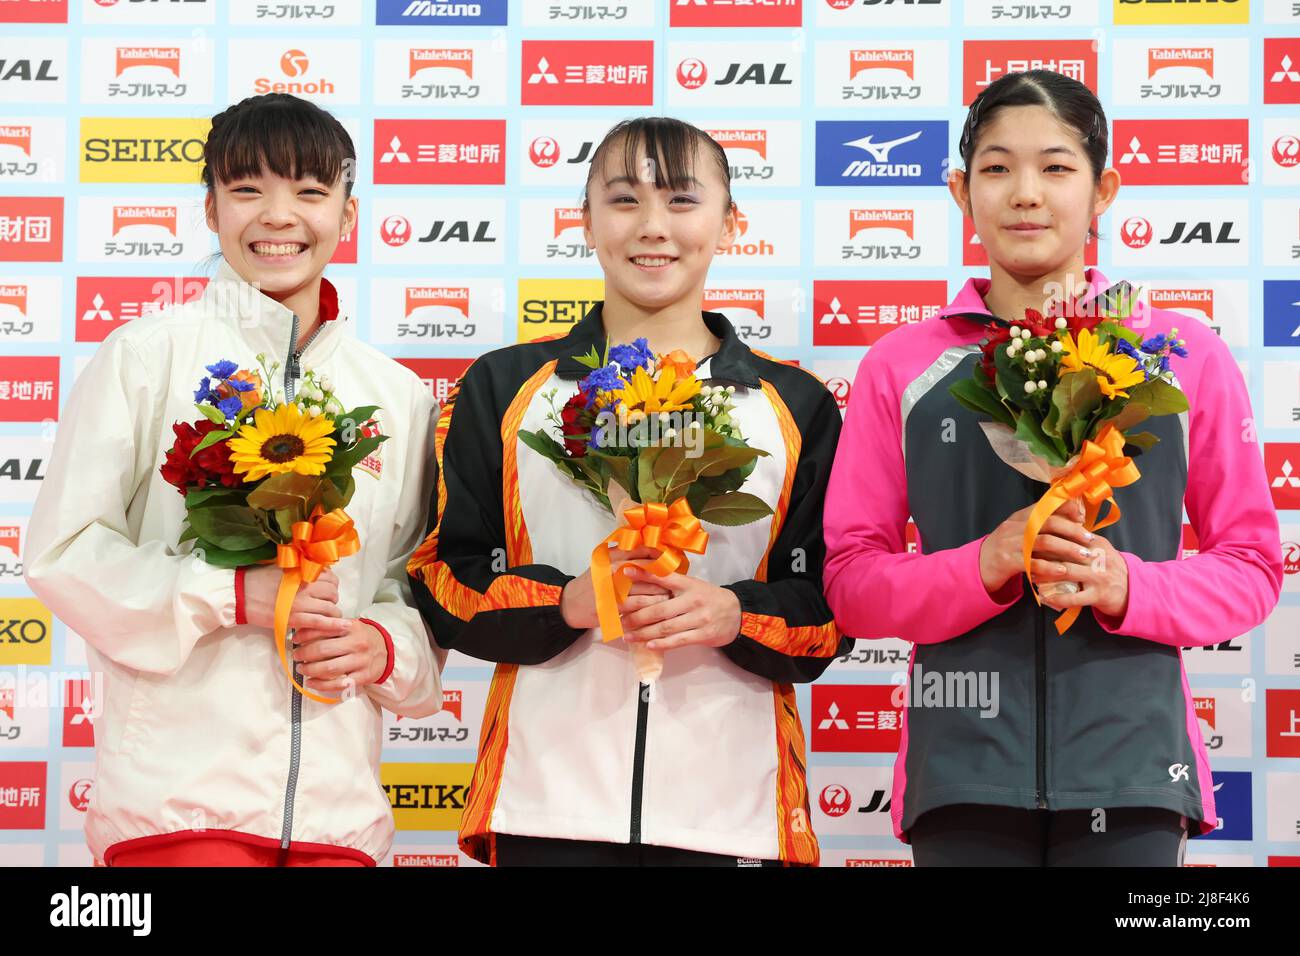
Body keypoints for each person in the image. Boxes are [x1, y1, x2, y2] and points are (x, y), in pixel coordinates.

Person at [823, 71, 1283, 866]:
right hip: (961, 771)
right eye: (998, 169)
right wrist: (983, 566)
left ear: (1103, 189)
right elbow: (852, 582)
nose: (1026, 194)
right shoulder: (902, 366)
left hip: (1136, 769)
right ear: (961, 192)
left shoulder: (1182, 357)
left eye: (1057, 167)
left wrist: (1127, 584)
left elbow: (1252, 567)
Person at [408, 116, 849, 866]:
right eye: (623, 200)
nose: (653, 227)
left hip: (733, 814)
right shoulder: (506, 388)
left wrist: (733, 613)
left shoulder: (796, 404)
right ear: (583, 220)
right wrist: (567, 604)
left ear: (729, 223)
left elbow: (831, 613)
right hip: (546, 808)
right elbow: (443, 580)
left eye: (682, 200)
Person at [24, 93, 442, 867]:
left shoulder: (397, 396)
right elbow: (61, 552)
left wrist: (383, 648)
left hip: (339, 823)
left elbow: (408, 587)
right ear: (210, 209)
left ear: (349, 218)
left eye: (311, 192)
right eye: (248, 190)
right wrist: (226, 595)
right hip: (178, 812)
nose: (279, 217)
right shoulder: (147, 355)